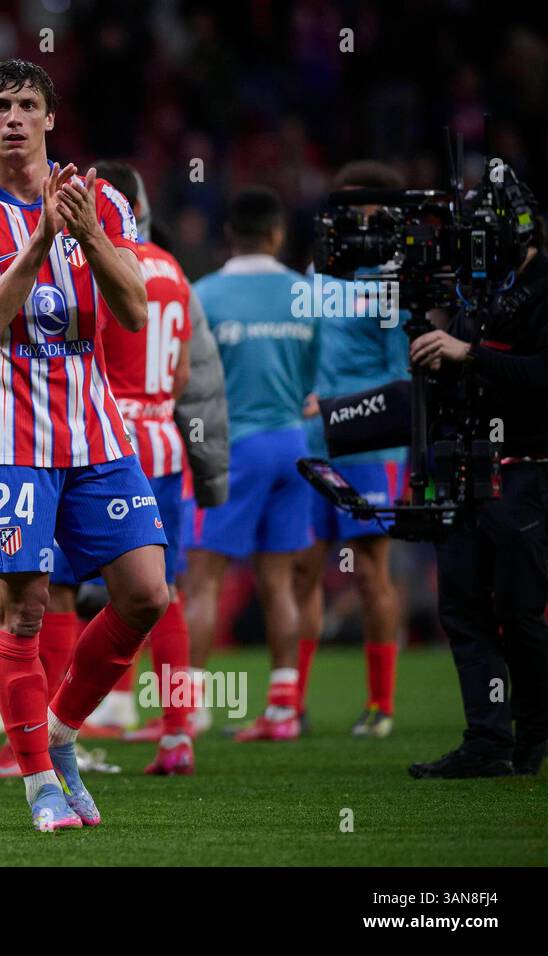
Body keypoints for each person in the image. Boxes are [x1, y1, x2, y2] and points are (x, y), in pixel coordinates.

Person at [0, 59, 168, 832]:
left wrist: (90, 232)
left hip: (98, 435)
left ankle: (60, 731)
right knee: (25, 611)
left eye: (27, 105)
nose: (12, 118)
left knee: (145, 594)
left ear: (49, 119)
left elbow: (134, 309)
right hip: (12, 443)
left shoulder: (98, 201)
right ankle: (38, 784)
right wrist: (37, 245)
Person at [54, 160, 197, 774]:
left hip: (108, 442)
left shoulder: (101, 268)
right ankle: (177, 732)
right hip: (166, 438)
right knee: (166, 595)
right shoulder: (174, 270)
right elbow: (185, 372)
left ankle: (55, 735)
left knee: (57, 589)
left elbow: (87, 352)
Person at [408, 180, 548, 779]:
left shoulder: (544, 290)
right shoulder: (479, 290)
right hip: (466, 466)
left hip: (529, 469)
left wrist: (468, 354)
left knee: (518, 611)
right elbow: (465, 367)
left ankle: (534, 733)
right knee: (463, 607)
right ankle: (488, 740)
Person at [185, 186, 319, 742]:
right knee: (279, 581)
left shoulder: (204, 295)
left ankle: (188, 708)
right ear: (277, 234)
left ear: (228, 237)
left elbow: (187, 376)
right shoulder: (305, 293)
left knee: (204, 581)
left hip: (233, 447)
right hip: (293, 443)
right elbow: (314, 379)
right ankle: (284, 707)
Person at [293, 160, 410, 739]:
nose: (355, 220)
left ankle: (381, 705)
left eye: (365, 209)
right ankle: (293, 704)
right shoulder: (319, 271)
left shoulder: (394, 279)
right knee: (304, 567)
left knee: (370, 570)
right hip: (315, 441)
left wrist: (337, 405)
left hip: (372, 443)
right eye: (348, 209)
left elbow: (400, 375)